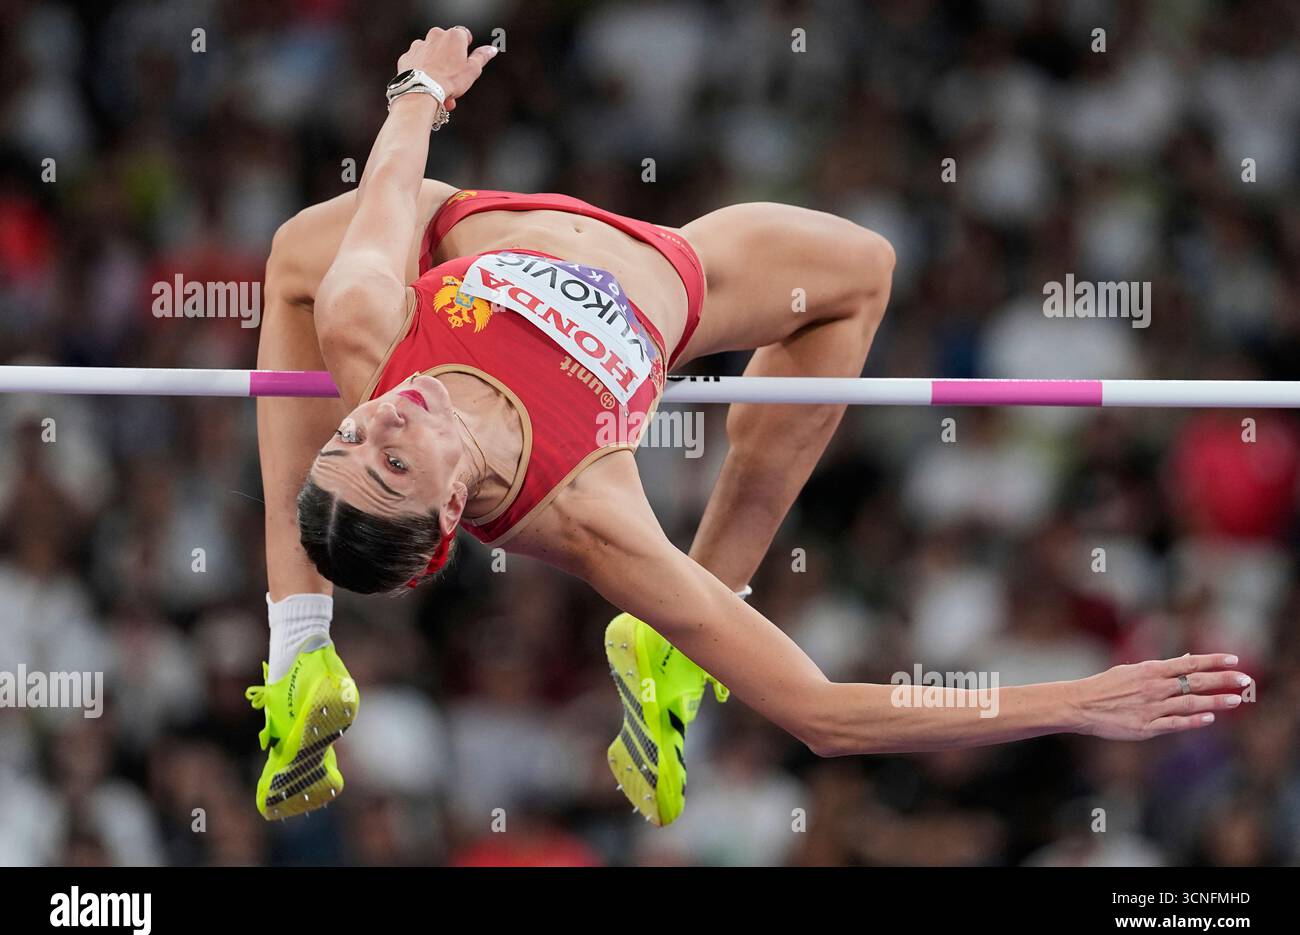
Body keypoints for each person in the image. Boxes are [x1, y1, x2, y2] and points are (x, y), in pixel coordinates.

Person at [247, 25, 1252, 824]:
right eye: (388, 460)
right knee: (856, 275)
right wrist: (1074, 699)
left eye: (346, 434)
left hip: (463, 219)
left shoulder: (369, 338)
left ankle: (299, 646)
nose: (377, 418)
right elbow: (821, 714)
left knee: (301, 256)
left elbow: (384, 185)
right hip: (680, 278)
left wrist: (421, 90)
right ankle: (660, 643)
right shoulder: (595, 519)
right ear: (452, 504)